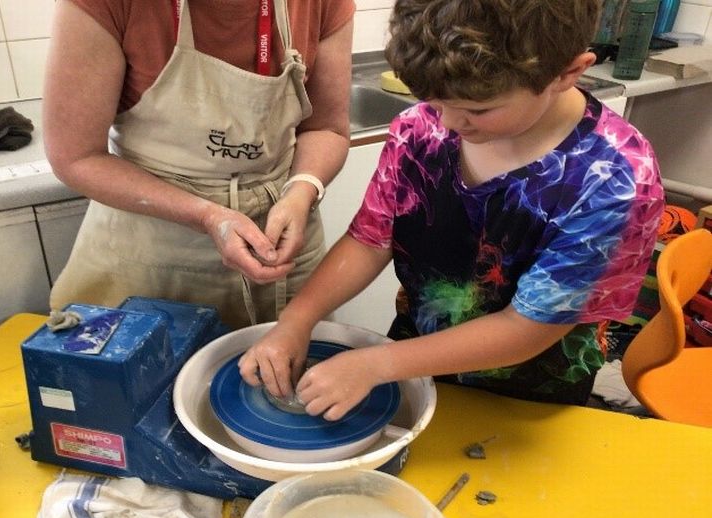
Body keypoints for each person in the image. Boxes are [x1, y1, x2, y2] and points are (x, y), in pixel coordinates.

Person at [238, 0, 665, 420]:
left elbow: (526, 328)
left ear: (568, 72)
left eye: (478, 109)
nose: (448, 123)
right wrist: (298, 318)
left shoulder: (613, 179)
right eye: (436, 102)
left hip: (530, 392)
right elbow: (370, 240)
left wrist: (375, 365)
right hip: (415, 356)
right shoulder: (421, 129)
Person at [43, 0, 354, 329]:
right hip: (153, 255)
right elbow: (76, 156)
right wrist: (209, 216)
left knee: (289, 374)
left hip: (282, 252)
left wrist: (300, 193)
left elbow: (327, 128)